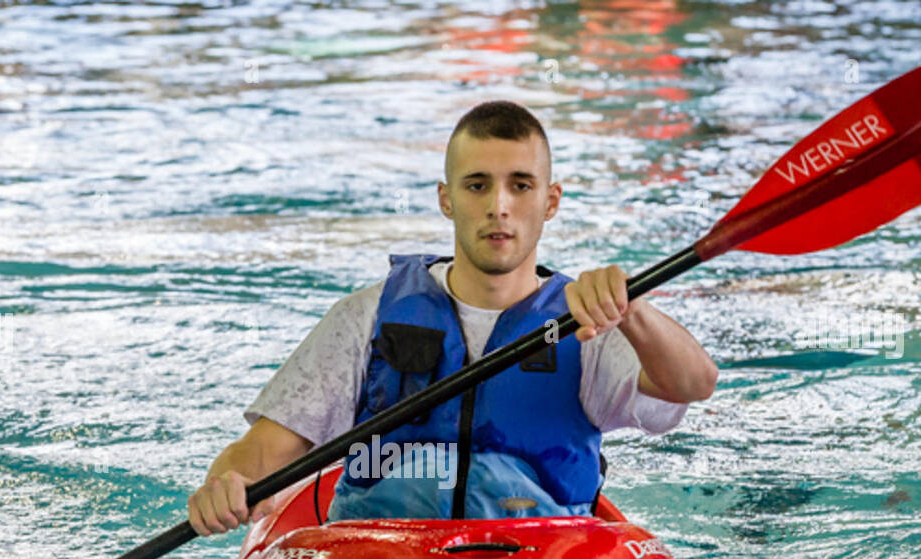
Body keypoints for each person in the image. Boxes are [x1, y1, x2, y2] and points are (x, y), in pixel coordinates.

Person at [188, 100, 717, 535]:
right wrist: (227, 482)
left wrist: (633, 312)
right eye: (477, 185)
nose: (499, 207)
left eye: (521, 185)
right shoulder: (366, 316)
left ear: (551, 201)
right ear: (447, 199)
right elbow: (267, 451)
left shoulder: (591, 321)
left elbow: (693, 384)